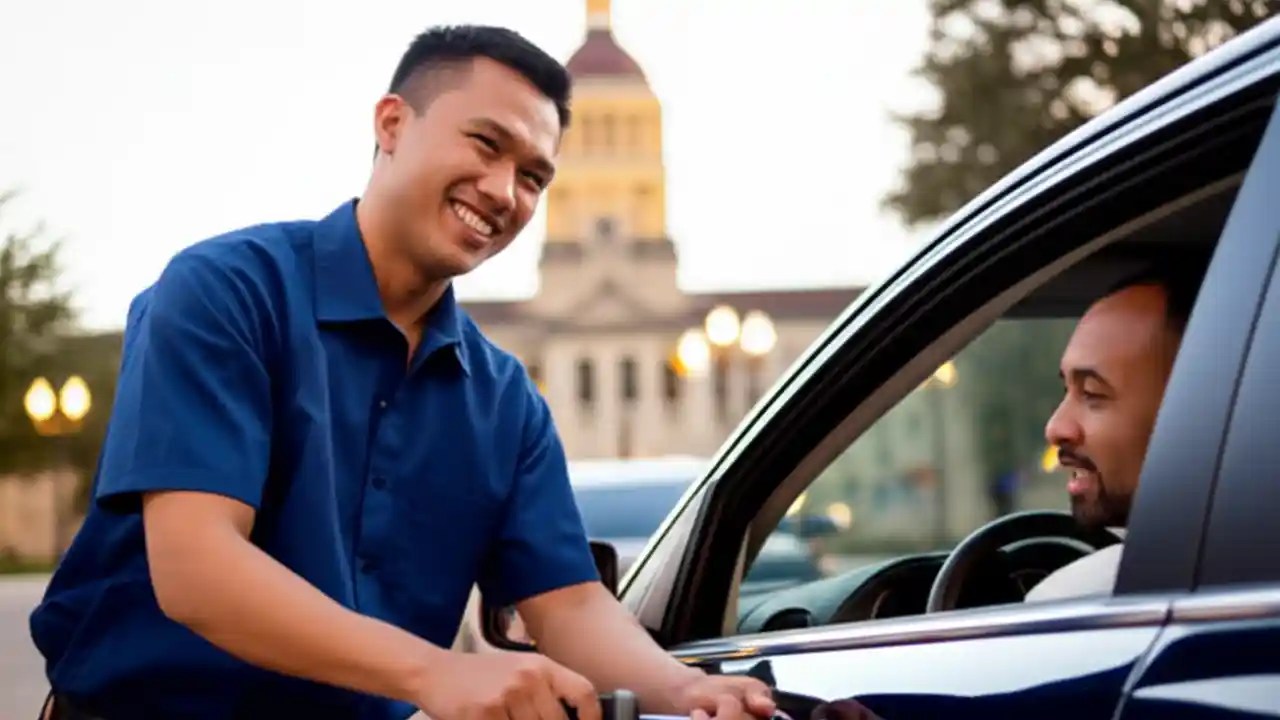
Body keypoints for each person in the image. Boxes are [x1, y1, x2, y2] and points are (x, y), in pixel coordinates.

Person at [29, 25, 775, 720]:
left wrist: (689, 692)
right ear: (391, 124)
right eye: (486, 144)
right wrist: (438, 674)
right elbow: (197, 567)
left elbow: (568, 603)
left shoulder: (505, 398)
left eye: (533, 177)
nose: (503, 191)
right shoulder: (228, 291)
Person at [1025, 260, 1205, 603]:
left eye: (1092, 393)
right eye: (1067, 390)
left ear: (1194, 410)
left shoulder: (1080, 599)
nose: (1055, 428)